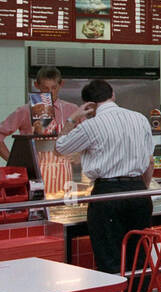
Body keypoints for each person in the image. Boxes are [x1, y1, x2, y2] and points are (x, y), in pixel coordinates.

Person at [55, 79, 155, 274]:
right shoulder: (140, 118)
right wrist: (142, 189)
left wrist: (71, 119)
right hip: (138, 193)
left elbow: (60, 148)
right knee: (140, 256)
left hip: (107, 195)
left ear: (89, 105)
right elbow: (149, 161)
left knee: (110, 259)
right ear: (113, 95)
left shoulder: (91, 125)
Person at [0, 66, 79, 161]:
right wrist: (13, 162)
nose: (50, 92)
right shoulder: (25, 111)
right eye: (45, 88)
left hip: (64, 170)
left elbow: (90, 136)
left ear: (61, 84)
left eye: (54, 88)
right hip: (34, 169)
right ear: (36, 85)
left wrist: (79, 154)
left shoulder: (73, 110)